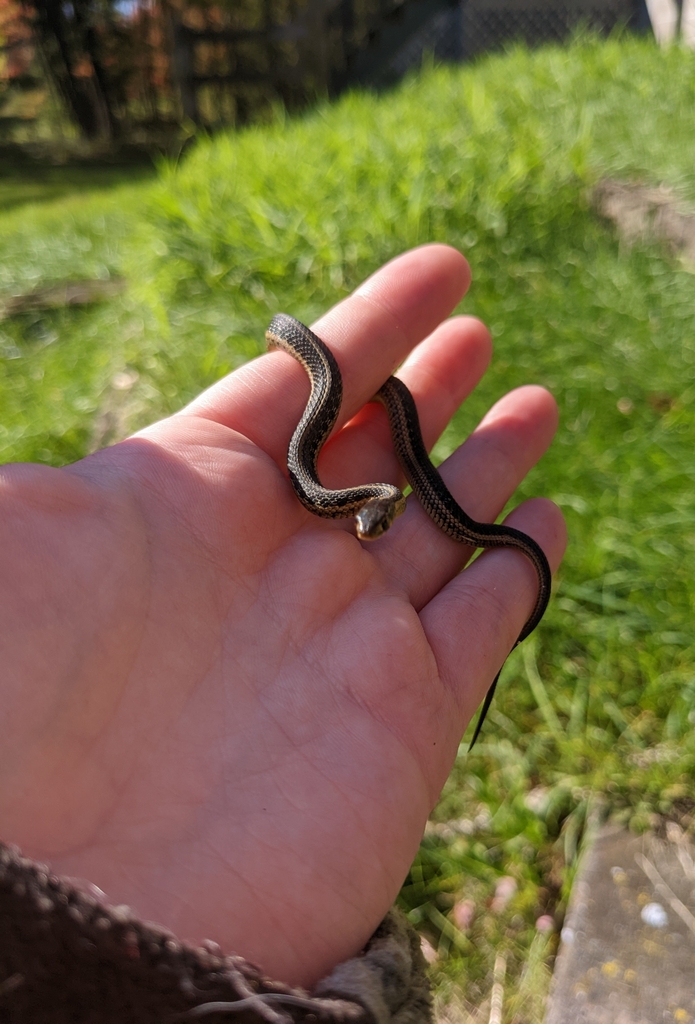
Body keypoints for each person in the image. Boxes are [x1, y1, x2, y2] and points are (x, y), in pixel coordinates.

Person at [0, 244, 566, 994]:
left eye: (375, 524)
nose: (369, 533)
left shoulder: (349, 493)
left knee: (467, 502)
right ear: (369, 509)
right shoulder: (320, 482)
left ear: (381, 508)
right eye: (369, 525)